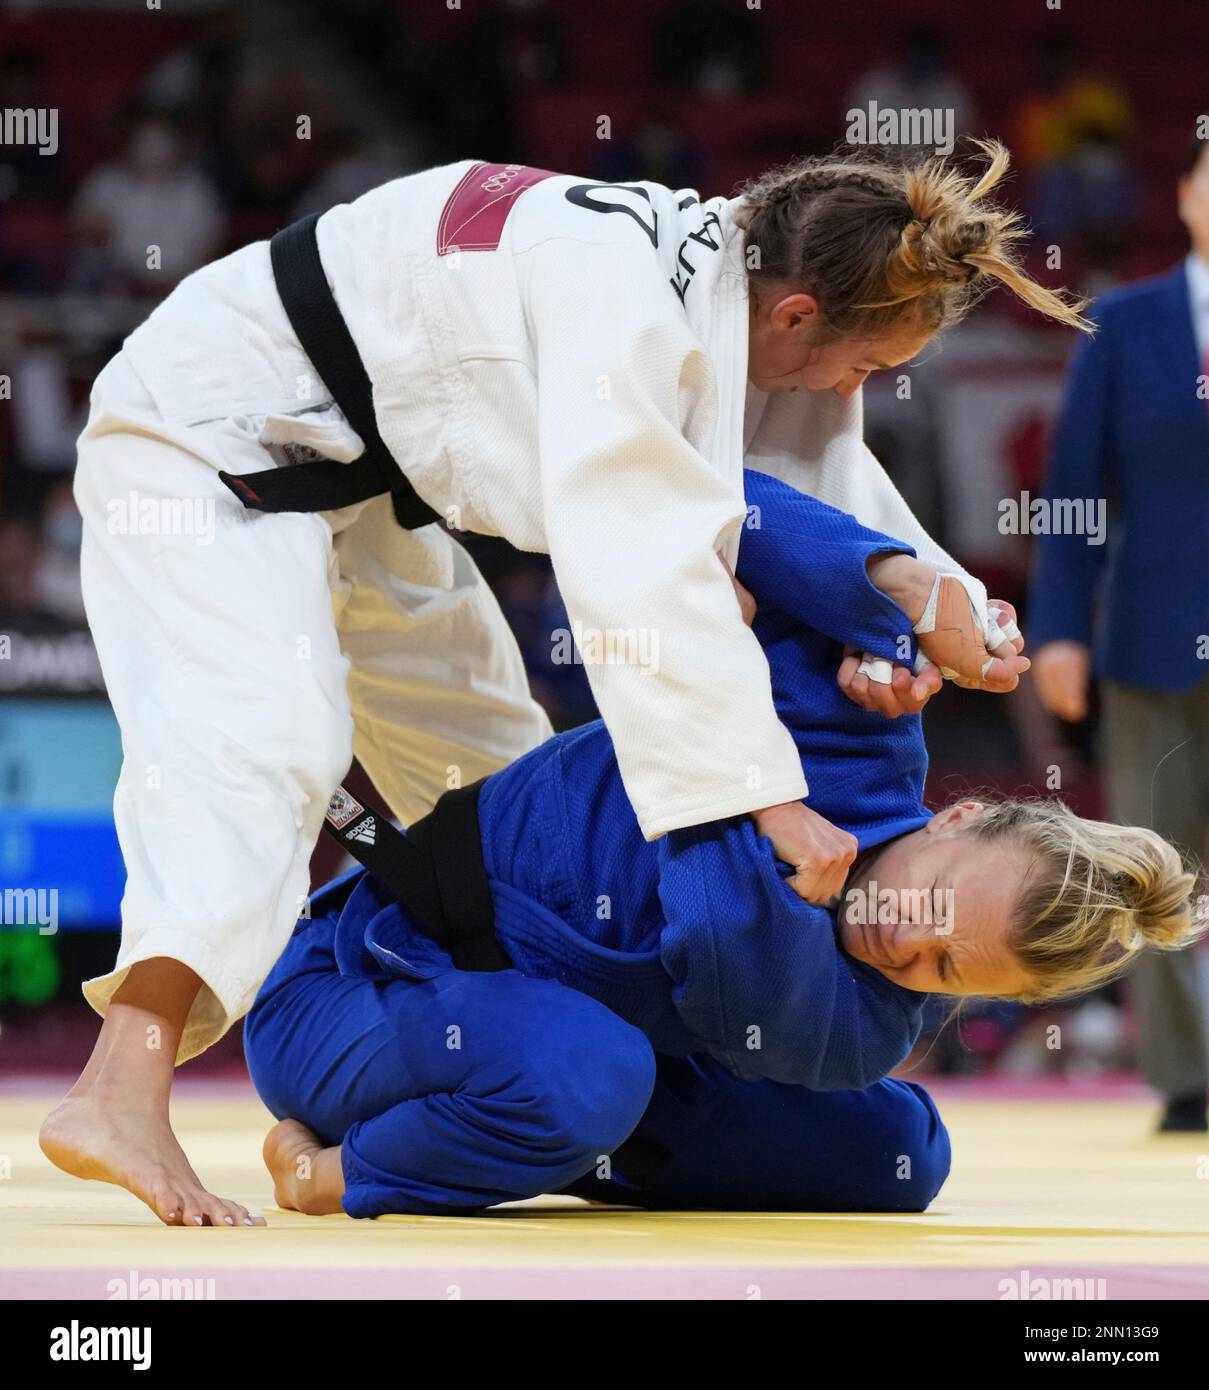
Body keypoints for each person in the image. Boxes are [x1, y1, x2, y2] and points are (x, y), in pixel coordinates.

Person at [43, 139, 1082, 1225]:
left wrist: (917, 610)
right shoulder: (625, 298)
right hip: (212, 436)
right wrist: (769, 790)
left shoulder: (722, 286)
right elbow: (645, 554)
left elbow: (792, 498)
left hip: (362, 483)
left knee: (499, 765)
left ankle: (507, 1085)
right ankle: (119, 1087)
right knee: (270, 737)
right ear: (798, 316)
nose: (851, 391)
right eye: (865, 366)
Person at [244, 469, 1198, 1219]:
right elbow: (708, 495)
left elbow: (714, 934)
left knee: (900, 1150)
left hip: (557, 1047)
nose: (906, 942)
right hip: (362, 997)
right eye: (937, 901)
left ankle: (549, 1137)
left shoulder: (872, 1024)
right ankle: (339, 1175)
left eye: (947, 970)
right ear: (952, 816)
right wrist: (892, 596)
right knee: (593, 1073)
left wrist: (742, 716)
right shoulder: (861, 724)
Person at [1031, 126, 1209, 1132]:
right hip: (1148, 636)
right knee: (1155, 858)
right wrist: (1059, 628)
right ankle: (1189, 1079)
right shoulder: (1127, 327)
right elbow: (1068, 495)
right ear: (1183, 195)